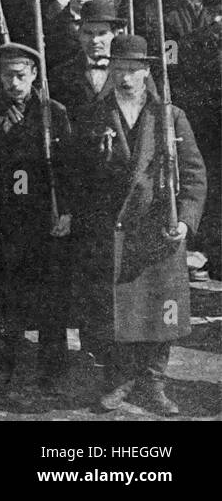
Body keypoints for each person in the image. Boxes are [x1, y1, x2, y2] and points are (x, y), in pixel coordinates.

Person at [67, 34, 207, 416]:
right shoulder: (95, 115)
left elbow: (195, 176)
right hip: (113, 231)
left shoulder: (169, 116)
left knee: (161, 311)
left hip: (158, 227)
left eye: (134, 70)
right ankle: (120, 379)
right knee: (117, 312)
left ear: (147, 71)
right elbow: (76, 175)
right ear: (110, 70)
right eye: (119, 69)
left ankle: (153, 383)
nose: (126, 78)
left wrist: (187, 221)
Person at [0, 43, 74, 394]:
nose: (13, 82)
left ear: (34, 74)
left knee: (49, 297)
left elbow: (70, 169)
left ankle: (53, 369)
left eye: (20, 75)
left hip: (43, 220)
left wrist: (66, 211)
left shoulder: (53, 113)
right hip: (2, 220)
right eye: (7, 75)